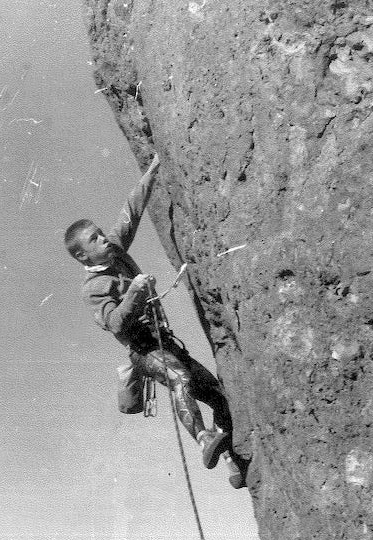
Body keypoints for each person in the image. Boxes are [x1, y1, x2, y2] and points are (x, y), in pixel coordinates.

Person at [65, 154, 241, 482]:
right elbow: (115, 323)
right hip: (144, 351)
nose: (104, 239)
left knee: (217, 394)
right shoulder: (93, 288)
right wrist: (133, 291)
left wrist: (155, 167)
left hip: (166, 341)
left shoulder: (114, 249)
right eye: (95, 239)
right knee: (181, 380)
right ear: (81, 255)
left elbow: (131, 211)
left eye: (101, 233)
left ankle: (229, 457)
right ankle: (204, 441)